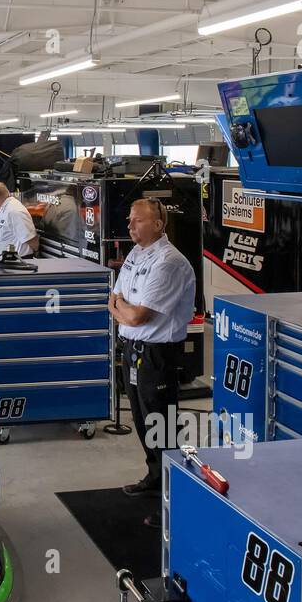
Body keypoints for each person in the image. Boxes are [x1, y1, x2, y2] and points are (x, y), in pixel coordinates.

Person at [109, 198, 197, 517]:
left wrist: (124, 312)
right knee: (142, 420)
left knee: (162, 424)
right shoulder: (136, 253)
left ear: (158, 225)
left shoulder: (168, 262)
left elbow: (138, 317)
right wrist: (123, 311)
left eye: (137, 221)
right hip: (133, 350)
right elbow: (114, 298)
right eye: (130, 220)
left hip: (158, 354)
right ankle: (156, 476)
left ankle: (174, 497)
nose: (130, 226)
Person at [0, 182, 38, 259]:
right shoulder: (4, 209)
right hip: (4, 264)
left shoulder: (14, 211)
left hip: (15, 264)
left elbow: (31, 239)